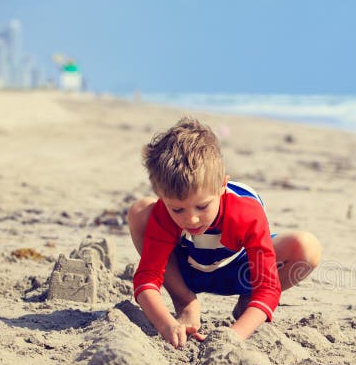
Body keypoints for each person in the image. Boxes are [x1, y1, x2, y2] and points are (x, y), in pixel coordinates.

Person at [127, 117, 321, 348]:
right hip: (186, 269)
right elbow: (146, 278)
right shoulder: (163, 213)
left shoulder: (245, 213)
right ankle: (185, 303)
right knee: (139, 211)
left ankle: (247, 303)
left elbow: (268, 288)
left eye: (202, 206)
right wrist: (166, 324)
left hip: (239, 271)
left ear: (222, 186)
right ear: (163, 197)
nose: (191, 218)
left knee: (307, 247)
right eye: (177, 209)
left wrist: (234, 335)